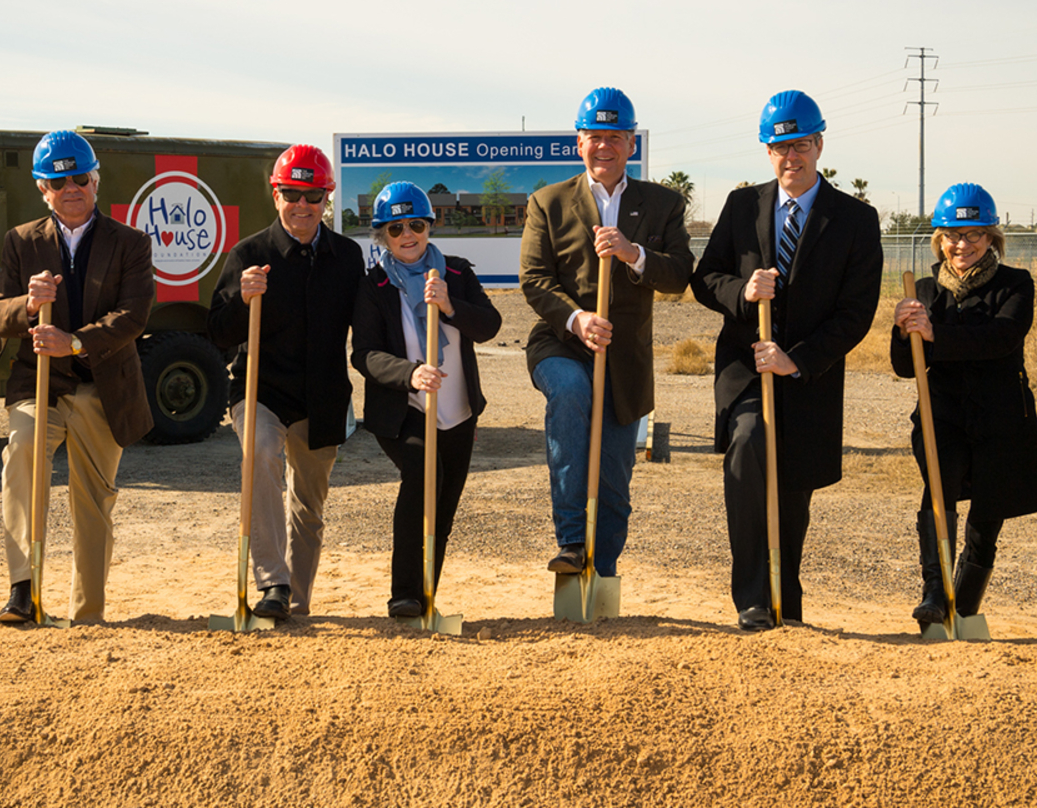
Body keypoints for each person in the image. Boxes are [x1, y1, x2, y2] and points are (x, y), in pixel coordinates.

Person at [691, 89, 883, 631]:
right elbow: (705, 279)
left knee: (793, 491)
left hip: (808, 376)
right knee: (749, 446)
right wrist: (743, 292)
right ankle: (752, 597)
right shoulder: (741, 205)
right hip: (747, 367)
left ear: (819, 144)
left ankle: (784, 596)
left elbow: (855, 312)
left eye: (800, 145)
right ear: (766, 151)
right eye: (779, 147)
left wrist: (795, 360)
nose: (790, 157)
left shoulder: (855, 219)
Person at [520, 86, 694, 580]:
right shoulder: (549, 203)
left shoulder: (662, 204)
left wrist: (634, 254)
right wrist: (578, 319)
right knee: (573, 394)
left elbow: (681, 273)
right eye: (594, 136)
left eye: (614, 136)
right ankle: (572, 544)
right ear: (579, 142)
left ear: (630, 144)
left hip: (625, 357)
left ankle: (604, 569)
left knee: (615, 476)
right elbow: (534, 280)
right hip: (561, 343)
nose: (604, 146)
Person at [0, 130, 155, 624]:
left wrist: (75, 341)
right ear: (43, 188)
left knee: (95, 499)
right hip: (41, 384)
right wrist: (29, 305)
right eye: (58, 182)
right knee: (21, 455)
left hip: (105, 388)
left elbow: (134, 315)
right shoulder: (20, 241)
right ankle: (23, 587)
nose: (71, 188)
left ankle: (88, 613)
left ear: (96, 180)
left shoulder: (131, 243)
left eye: (80, 177)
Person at [208, 145, 364, 620]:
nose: (302, 204)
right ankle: (272, 583)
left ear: (327, 198)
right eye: (291, 193)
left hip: (322, 397)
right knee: (260, 455)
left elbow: (370, 327)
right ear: (275, 194)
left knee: (309, 509)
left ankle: (295, 602)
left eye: (312, 194)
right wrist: (242, 297)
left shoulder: (347, 256)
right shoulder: (249, 254)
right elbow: (218, 331)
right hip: (261, 392)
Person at [890, 183, 1037, 627]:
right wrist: (904, 332)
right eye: (953, 235)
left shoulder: (1015, 283)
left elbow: (1001, 338)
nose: (962, 245)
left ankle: (965, 606)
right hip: (941, 413)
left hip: (1001, 417)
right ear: (940, 239)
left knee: (987, 512)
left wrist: (936, 334)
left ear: (991, 237)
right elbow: (906, 367)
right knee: (938, 494)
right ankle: (934, 597)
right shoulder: (923, 289)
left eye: (974, 234)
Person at [351, 182, 502, 618]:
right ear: (383, 236)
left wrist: (451, 306)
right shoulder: (375, 285)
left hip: (457, 412)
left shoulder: (454, 274)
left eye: (415, 224)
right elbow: (364, 354)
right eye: (395, 229)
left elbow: (490, 325)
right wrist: (410, 373)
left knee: (446, 501)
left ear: (429, 226)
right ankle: (403, 593)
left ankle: (426, 594)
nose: (407, 235)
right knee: (422, 475)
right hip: (404, 411)